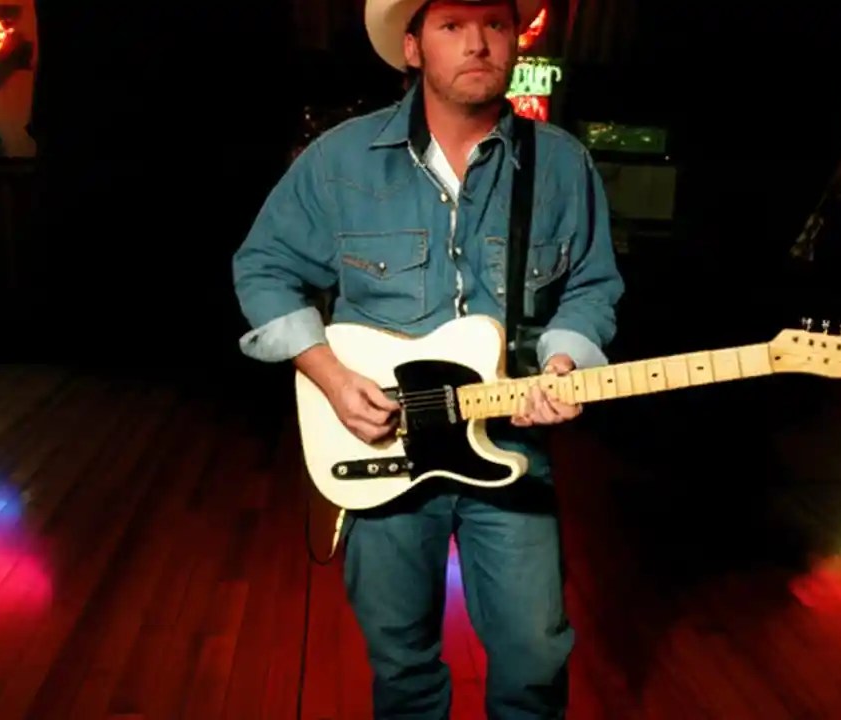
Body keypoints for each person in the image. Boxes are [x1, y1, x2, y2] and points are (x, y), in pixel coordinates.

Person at [231, 0, 624, 717]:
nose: (478, 42)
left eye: (496, 24)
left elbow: (592, 286)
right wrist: (328, 372)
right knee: (401, 660)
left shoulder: (561, 164)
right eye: (451, 25)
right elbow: (262, 268)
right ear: (412, 47)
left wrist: (566, 363)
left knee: (537, 654)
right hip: (380, 446)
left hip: (509, 440)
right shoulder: (340, 161)